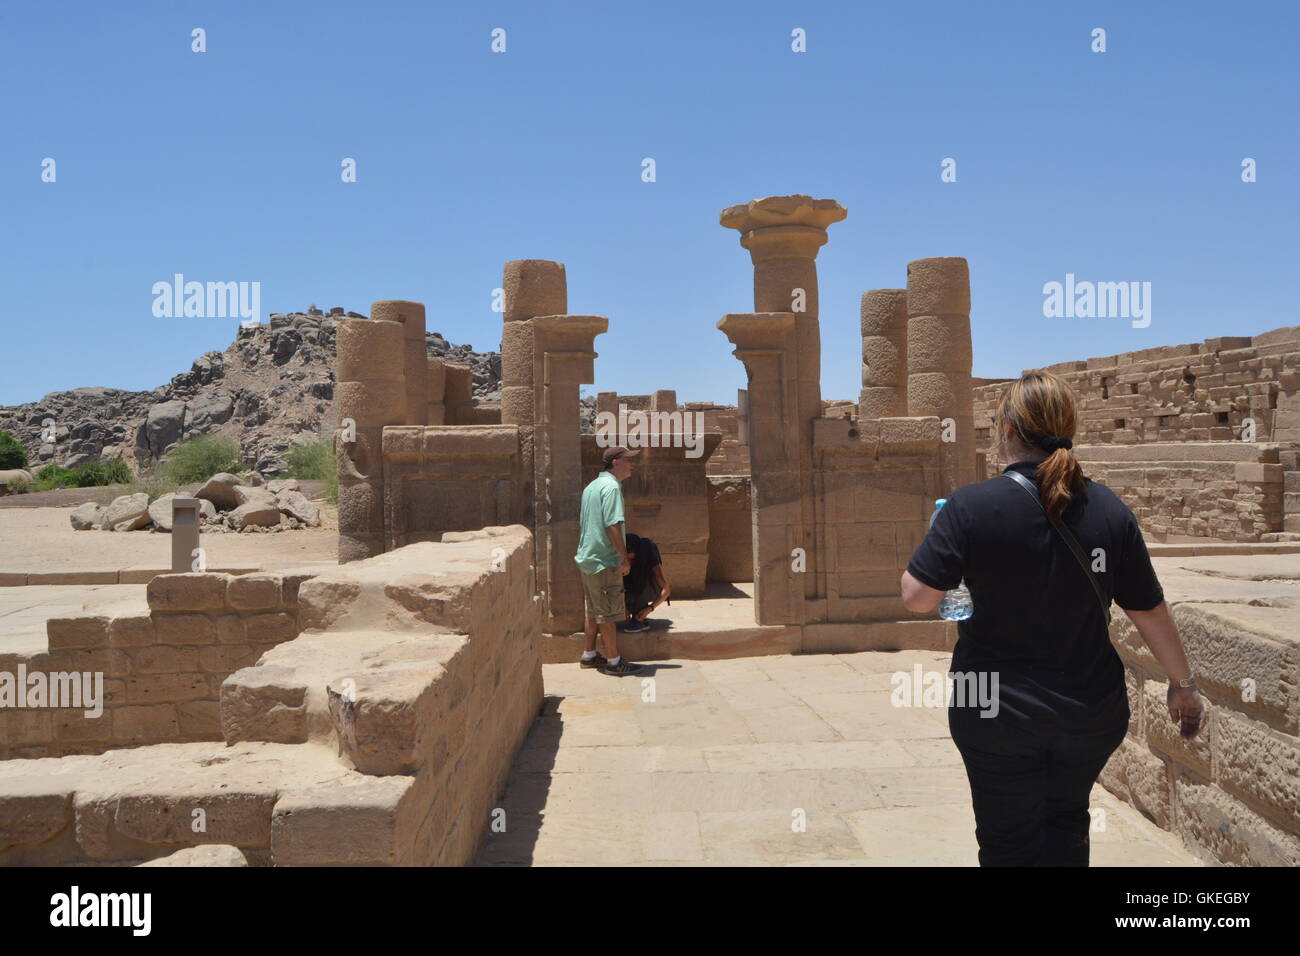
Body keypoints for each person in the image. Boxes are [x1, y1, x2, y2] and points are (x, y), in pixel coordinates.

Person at [900, 370, 1203, 867]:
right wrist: (1183, 684)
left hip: (994, 709)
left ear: (1006, 430)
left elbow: (917, 597)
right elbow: (1148, 610)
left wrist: (939, 536)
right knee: (1067, 828)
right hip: (1088, 710)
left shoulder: (969, 506)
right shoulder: (1110, 510)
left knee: (1008, 842)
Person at [574, 445, 643, 675]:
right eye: (628, 460)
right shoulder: (612, 487)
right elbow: (612, 524)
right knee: (607, 614)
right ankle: (614, 662)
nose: (632, 463)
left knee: (593, 610)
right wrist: (624, 558)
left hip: (588, 558)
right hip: (604, 560)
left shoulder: (592, 486)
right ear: (615, 462)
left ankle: (589, 655)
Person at [622, 533, 670, 632]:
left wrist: (650, 608)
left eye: (632, 559)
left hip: (643, 585)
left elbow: (666, 590)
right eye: (627, 559)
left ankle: (639, 615)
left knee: (641, 584)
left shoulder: (648, 553)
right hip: (626, 589)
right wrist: (621, 607)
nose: (629, 563)